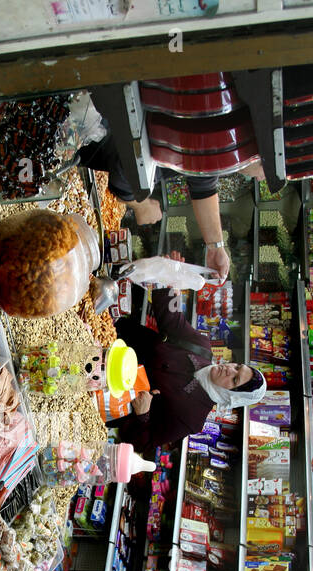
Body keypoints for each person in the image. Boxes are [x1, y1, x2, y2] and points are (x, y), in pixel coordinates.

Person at [111, 254, 267, 456]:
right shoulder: (201, 348)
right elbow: (173, 319)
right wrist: (171, 273)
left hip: (101, 386)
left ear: (233, 395)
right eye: (237, 367)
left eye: (234, 379)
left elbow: (143, 444)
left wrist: (143, 415)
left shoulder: (191, 417)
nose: (229, 369)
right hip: (107, 337)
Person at [76, 135, 231, 280]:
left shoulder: (214, 147)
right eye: (256, 174)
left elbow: (204, 188)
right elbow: (125, 170)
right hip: (89, 135)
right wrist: (142, 206)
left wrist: (216, 246)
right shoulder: (214, 144)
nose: (257, 178)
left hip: (91, 140)